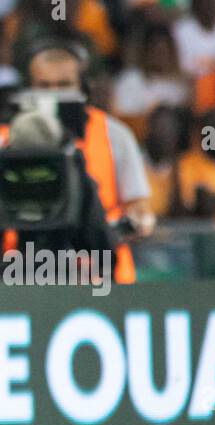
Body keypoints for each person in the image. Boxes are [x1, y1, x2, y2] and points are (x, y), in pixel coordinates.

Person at [15, 43, 155, 283]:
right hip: (28, 273)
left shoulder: (114, 135)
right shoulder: (9, 137)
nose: (54, 94)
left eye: (64, 85)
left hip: (103, 275)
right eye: (44, 86)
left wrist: (124, 225)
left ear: (84, 88)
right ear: (29, 89)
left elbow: (141, 211)